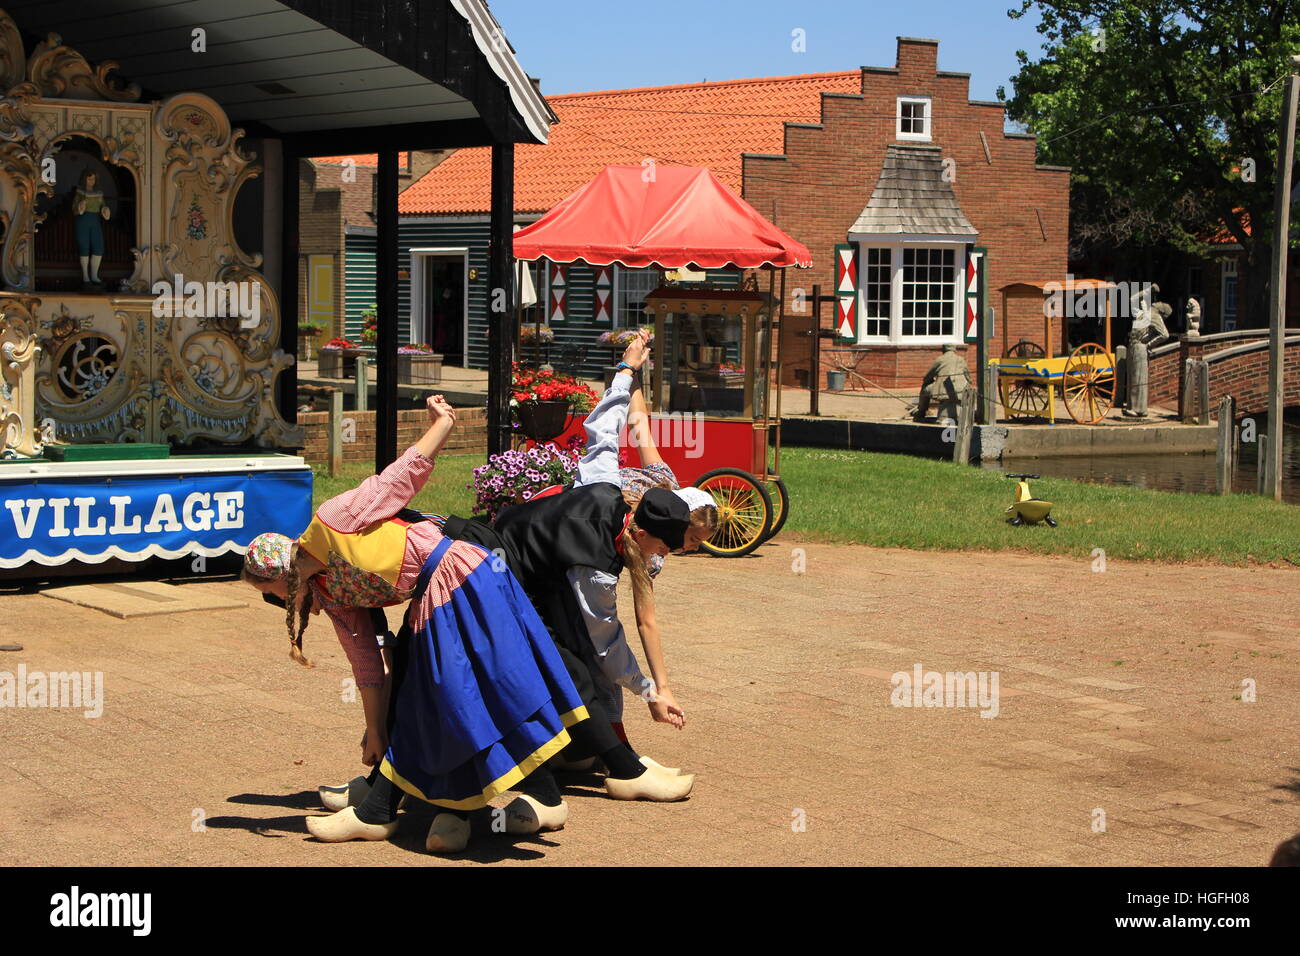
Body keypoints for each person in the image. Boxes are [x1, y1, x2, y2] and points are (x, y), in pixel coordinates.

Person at [241, 395, 586, 853]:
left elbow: (398, 478)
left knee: (450, 690)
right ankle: (537, 797)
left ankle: (384, 811)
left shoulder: (333, 522)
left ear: (278, 575)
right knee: (455, 691)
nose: (274, 602)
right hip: (436, 596)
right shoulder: (331, 594)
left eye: (270, 593)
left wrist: (441, 424)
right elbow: (367, 664)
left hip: (463, 575)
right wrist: (375, 731)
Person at [442, 331, 719, 802]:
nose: (671, 555)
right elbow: (608, 638)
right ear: (645, 532)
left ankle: (588, 753)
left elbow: (605, 431)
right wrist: (652, 691)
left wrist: (628, 371)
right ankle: (614, 768)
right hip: (498, 573)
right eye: (673, 547)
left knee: (580, 665)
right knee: (576, 667)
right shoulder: (598, 565)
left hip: (532, 566)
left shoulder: (609, 487)